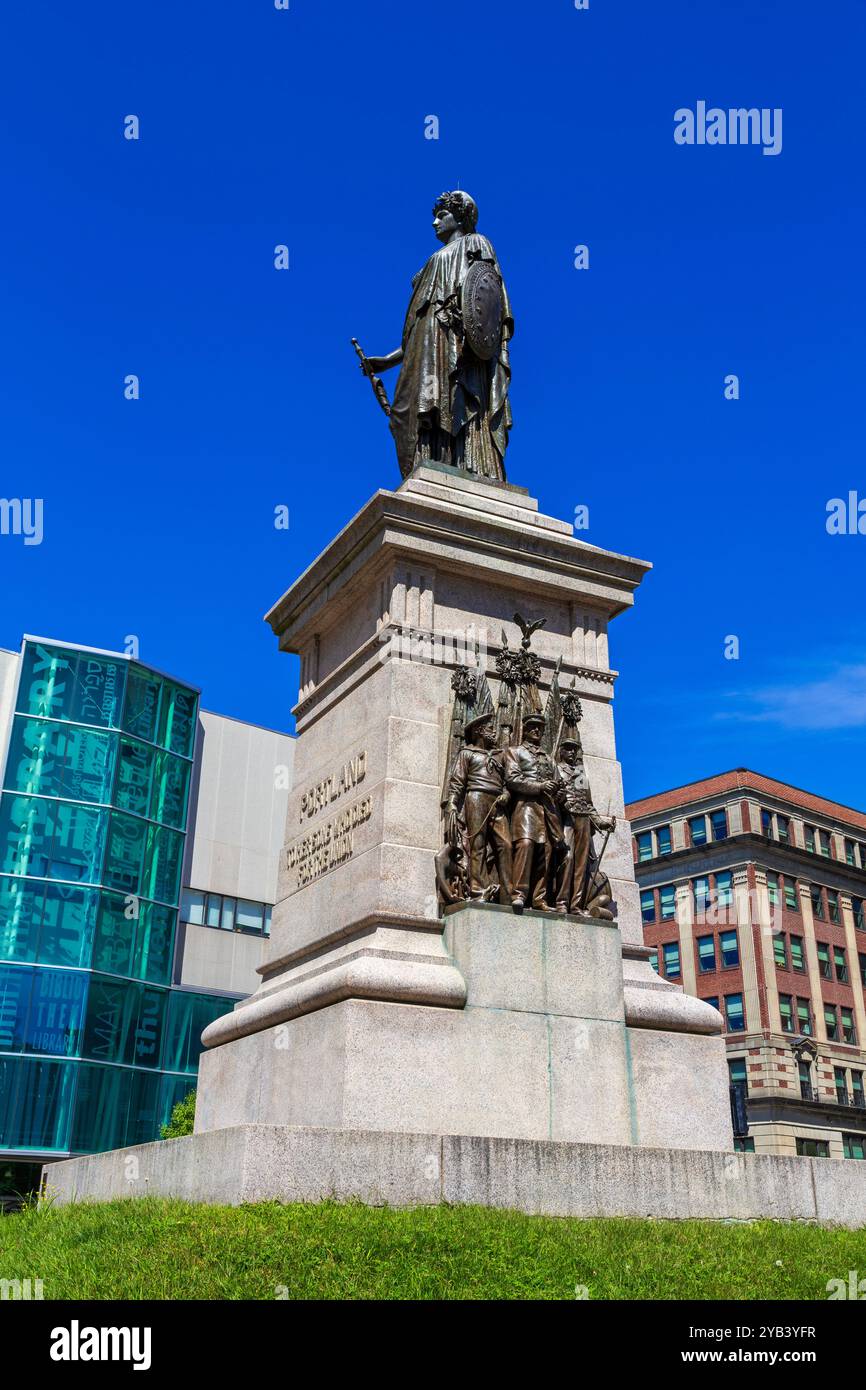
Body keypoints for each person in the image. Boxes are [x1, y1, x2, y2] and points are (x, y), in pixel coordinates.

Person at [362, 191, 513, 480]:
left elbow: (486, 303)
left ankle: (468, 461)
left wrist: (466, 335)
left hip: (457, 347)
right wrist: (388, 361)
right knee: (413, 411)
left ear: (461, 215)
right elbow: (418, 331)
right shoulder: (429, 264)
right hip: (427, 349)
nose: (434, 222)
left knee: (453, 400)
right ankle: (430, 460)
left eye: (441, 215)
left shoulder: (476, 243)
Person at [444, 712, 512, 904]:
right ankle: (478, 891)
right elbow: (457, 782)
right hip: (476, 798)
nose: (495, 732)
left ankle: (508, 892)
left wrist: (506, 794)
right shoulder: (467, 753)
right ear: (480, 731)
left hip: (498, 801)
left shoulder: (501, 756)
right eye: (491, 729)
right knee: (478, 846)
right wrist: (452, 804)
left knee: (505, 845)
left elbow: (508, 781)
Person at [503, 713, 563, 911]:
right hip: (526, 807)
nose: (537, 731)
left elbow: (559, 783)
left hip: (548, 810)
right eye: (533, 727)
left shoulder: (549, 759)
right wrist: (540, 786)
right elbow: (512, 779)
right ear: (526, 730)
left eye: (540, 728)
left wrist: (558, 791)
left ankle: (539, 898)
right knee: (526, 845)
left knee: (546, 851)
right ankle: (519, 894)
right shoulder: (515, 752)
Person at [554, 736, 616, 919]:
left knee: (581, 865)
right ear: (561, 751)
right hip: (565, 818)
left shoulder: (580, 774)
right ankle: (561, 903)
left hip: (583, 821)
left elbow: (588, 804)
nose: (572, 752)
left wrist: (602, 823)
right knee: (567, 858)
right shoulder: (556, 769)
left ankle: (575, 905)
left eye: (575, 749)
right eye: (568, 748)